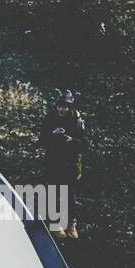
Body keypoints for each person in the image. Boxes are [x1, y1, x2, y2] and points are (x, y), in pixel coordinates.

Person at [38, 89, 85, 238]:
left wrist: (71, 140)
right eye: (59, 106)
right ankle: (54, 222)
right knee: (53, 190)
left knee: (70, 194)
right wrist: (53, 134)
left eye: (64, 106)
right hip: (53, 160)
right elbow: (41, 140)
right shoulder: (50, 118)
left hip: (70, 162)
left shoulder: (77, 121)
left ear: (70, 107)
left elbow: (84, 143)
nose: (61, 109)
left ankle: (71, 223)